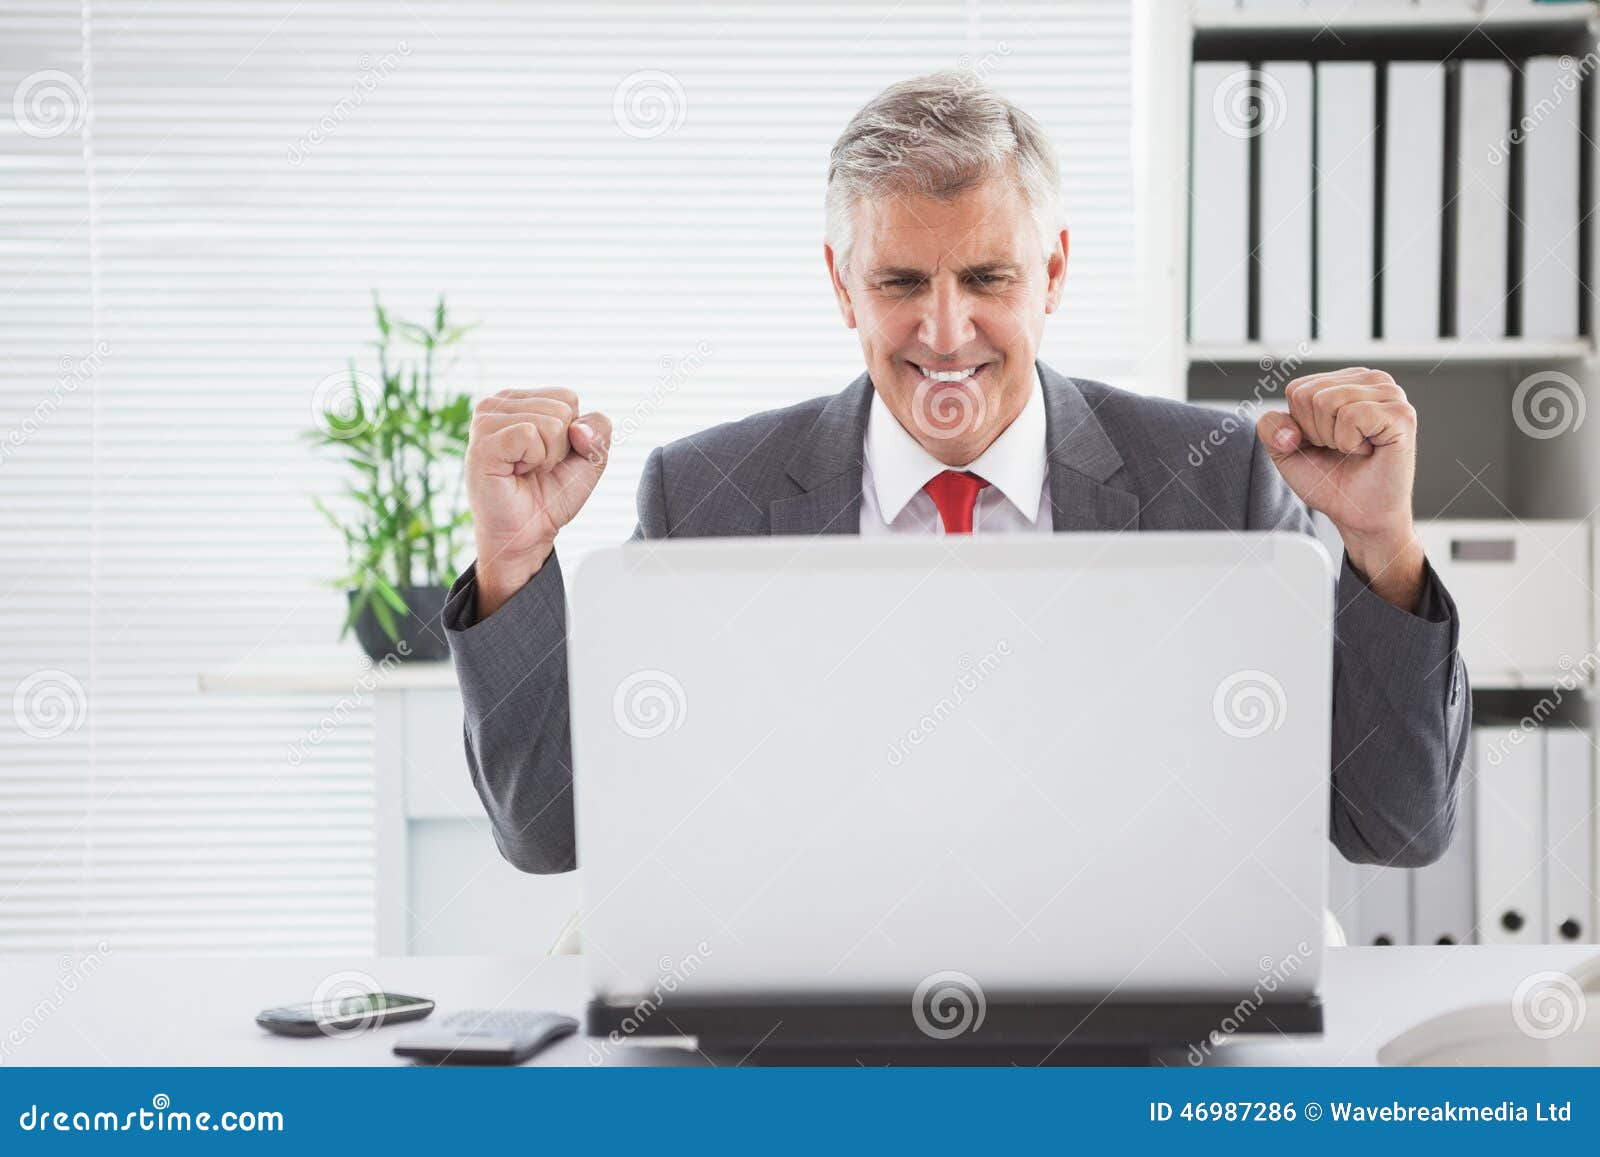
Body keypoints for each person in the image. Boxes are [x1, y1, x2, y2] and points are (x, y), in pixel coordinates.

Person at [444, 73, 1468, 876]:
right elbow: (551, 831)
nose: (944, 330)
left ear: (1054, 272)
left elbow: (1391, 825)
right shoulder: (709, 496)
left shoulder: (1215, 481)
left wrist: (1380, 548)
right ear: (843, 285)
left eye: (986, 277)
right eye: (899, 281)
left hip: (1129, 1013)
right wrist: (512, 560)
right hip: (811, 1018)